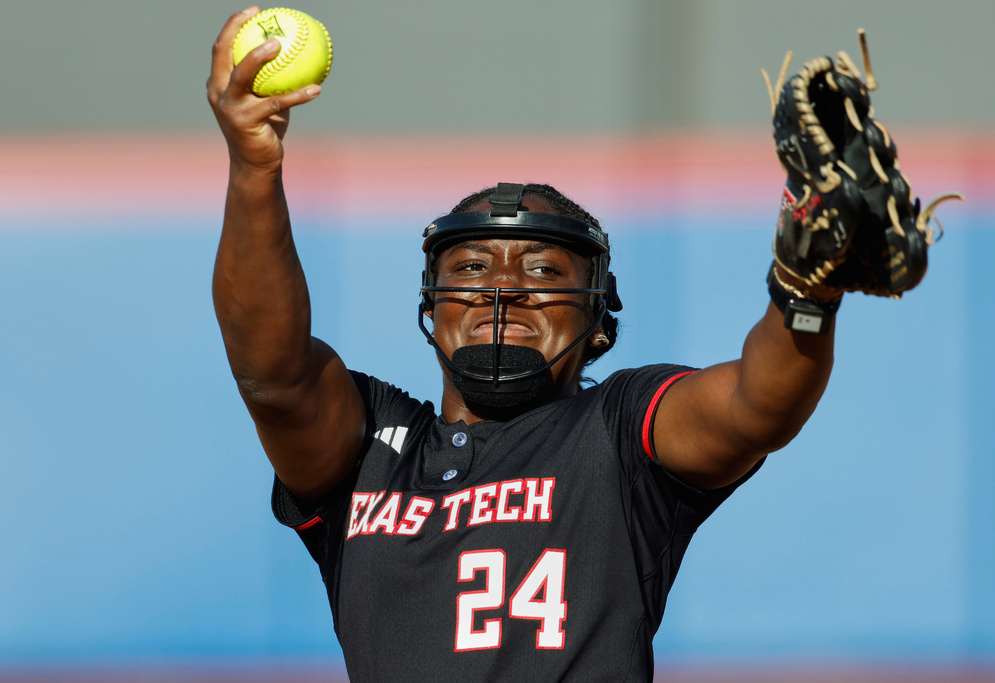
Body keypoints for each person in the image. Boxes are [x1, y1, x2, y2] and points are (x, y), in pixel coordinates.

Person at [208, 7, 842, 681]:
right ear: (433, 301)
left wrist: (806, 294)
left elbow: (756, 406)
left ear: (598, 317)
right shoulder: (371, 444)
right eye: (472, 266)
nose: (502, 287)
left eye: (543, 269)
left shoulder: (618, 430)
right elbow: (272, 374)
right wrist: (253, 165)